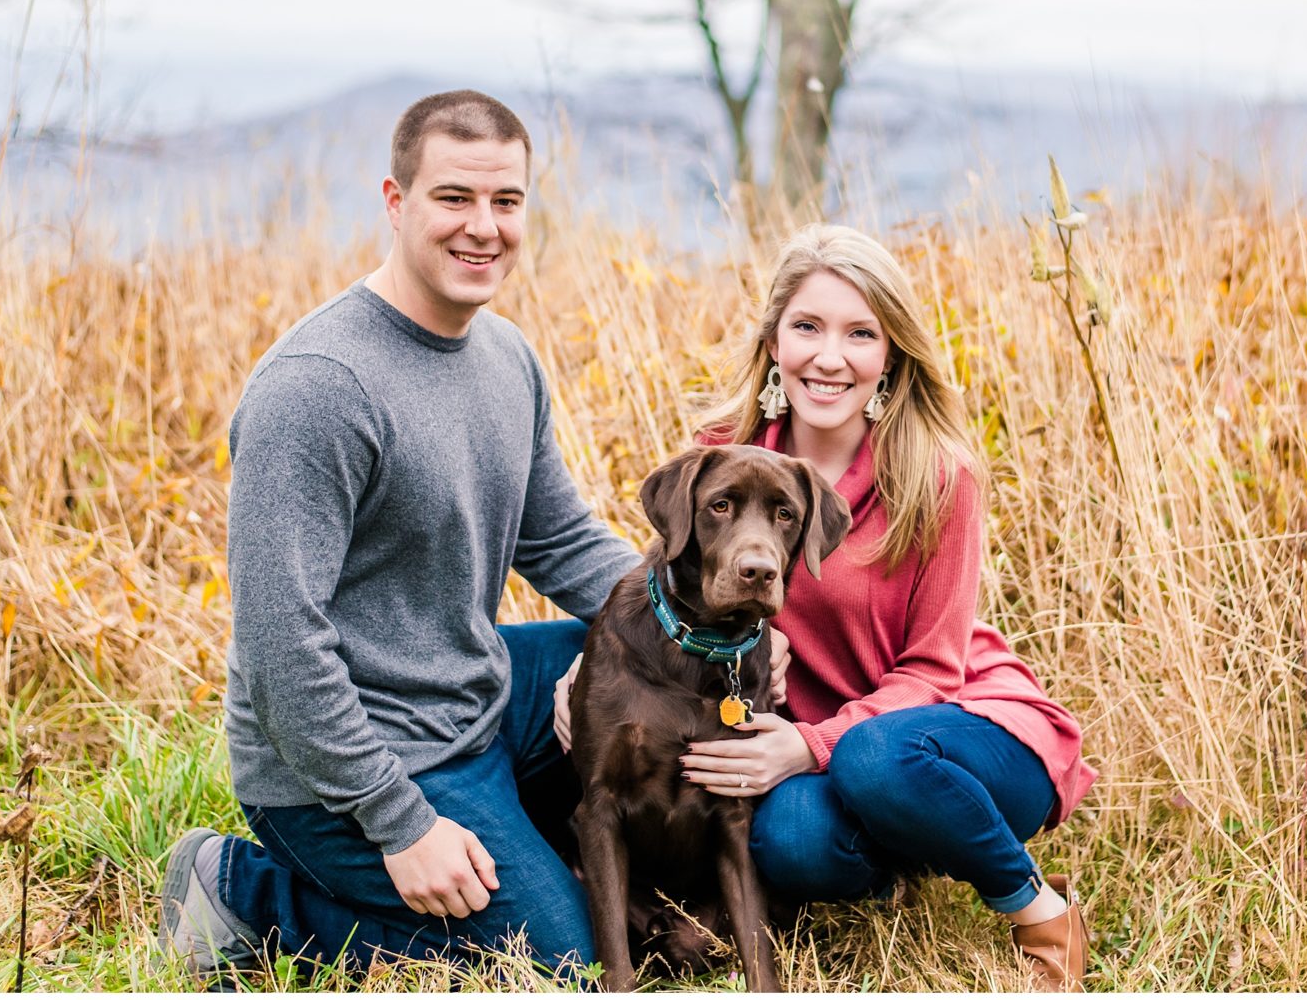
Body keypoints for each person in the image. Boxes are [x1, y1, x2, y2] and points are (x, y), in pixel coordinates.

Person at [157, 90, 652, 982]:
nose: (484, 227)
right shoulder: (318, 389)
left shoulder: (507, 358)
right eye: (453, 198)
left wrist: (688, 623)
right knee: (561, 969)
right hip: (344, 761)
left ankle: (525, 840)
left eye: (506, 202)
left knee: (643, 660)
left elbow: (563, 540)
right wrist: (401, 823)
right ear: (395, 202)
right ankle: (243, 890)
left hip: (470, 693)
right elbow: (279, 651)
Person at [556, 223, 1095, 988]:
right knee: (789, 838)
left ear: (890, 353)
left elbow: (935, 669)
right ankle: (901, 863)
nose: (830, 356)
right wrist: (587, 665)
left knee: (879, 761)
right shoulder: (724, 450)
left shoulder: (935, 477)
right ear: (775, 340)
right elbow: (662, 579)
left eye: (860, 333)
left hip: (958, 729)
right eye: (807, 327)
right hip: (826, 753)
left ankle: (1035, 905)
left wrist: (811, 747)